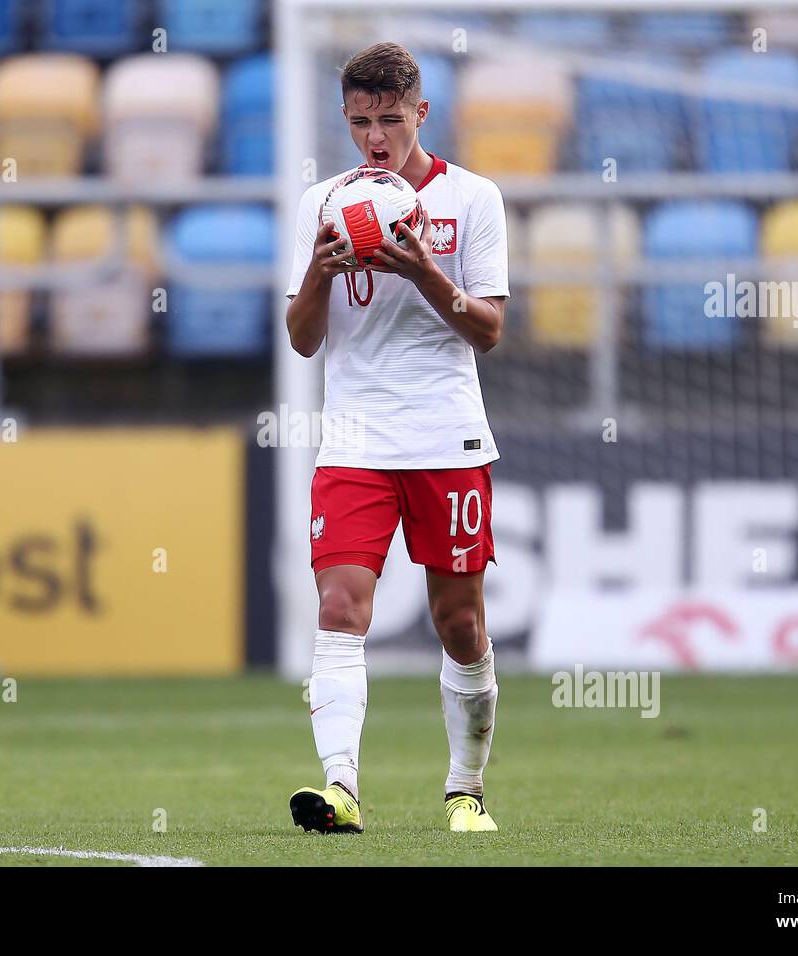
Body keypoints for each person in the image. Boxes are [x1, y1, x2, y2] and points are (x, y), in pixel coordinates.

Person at [284, 41, 509, 833]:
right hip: (352, 441)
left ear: (421, 112)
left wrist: (423, 274)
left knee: (461, 624)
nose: (375, 138)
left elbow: (488, 330)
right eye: (359, 122)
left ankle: (465, 790)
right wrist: (316, 272)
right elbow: (303, 340)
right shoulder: (323, 203)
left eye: (389, 120)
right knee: (341, 605)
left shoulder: (473, 200)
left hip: (446, 438)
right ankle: (340, 789)